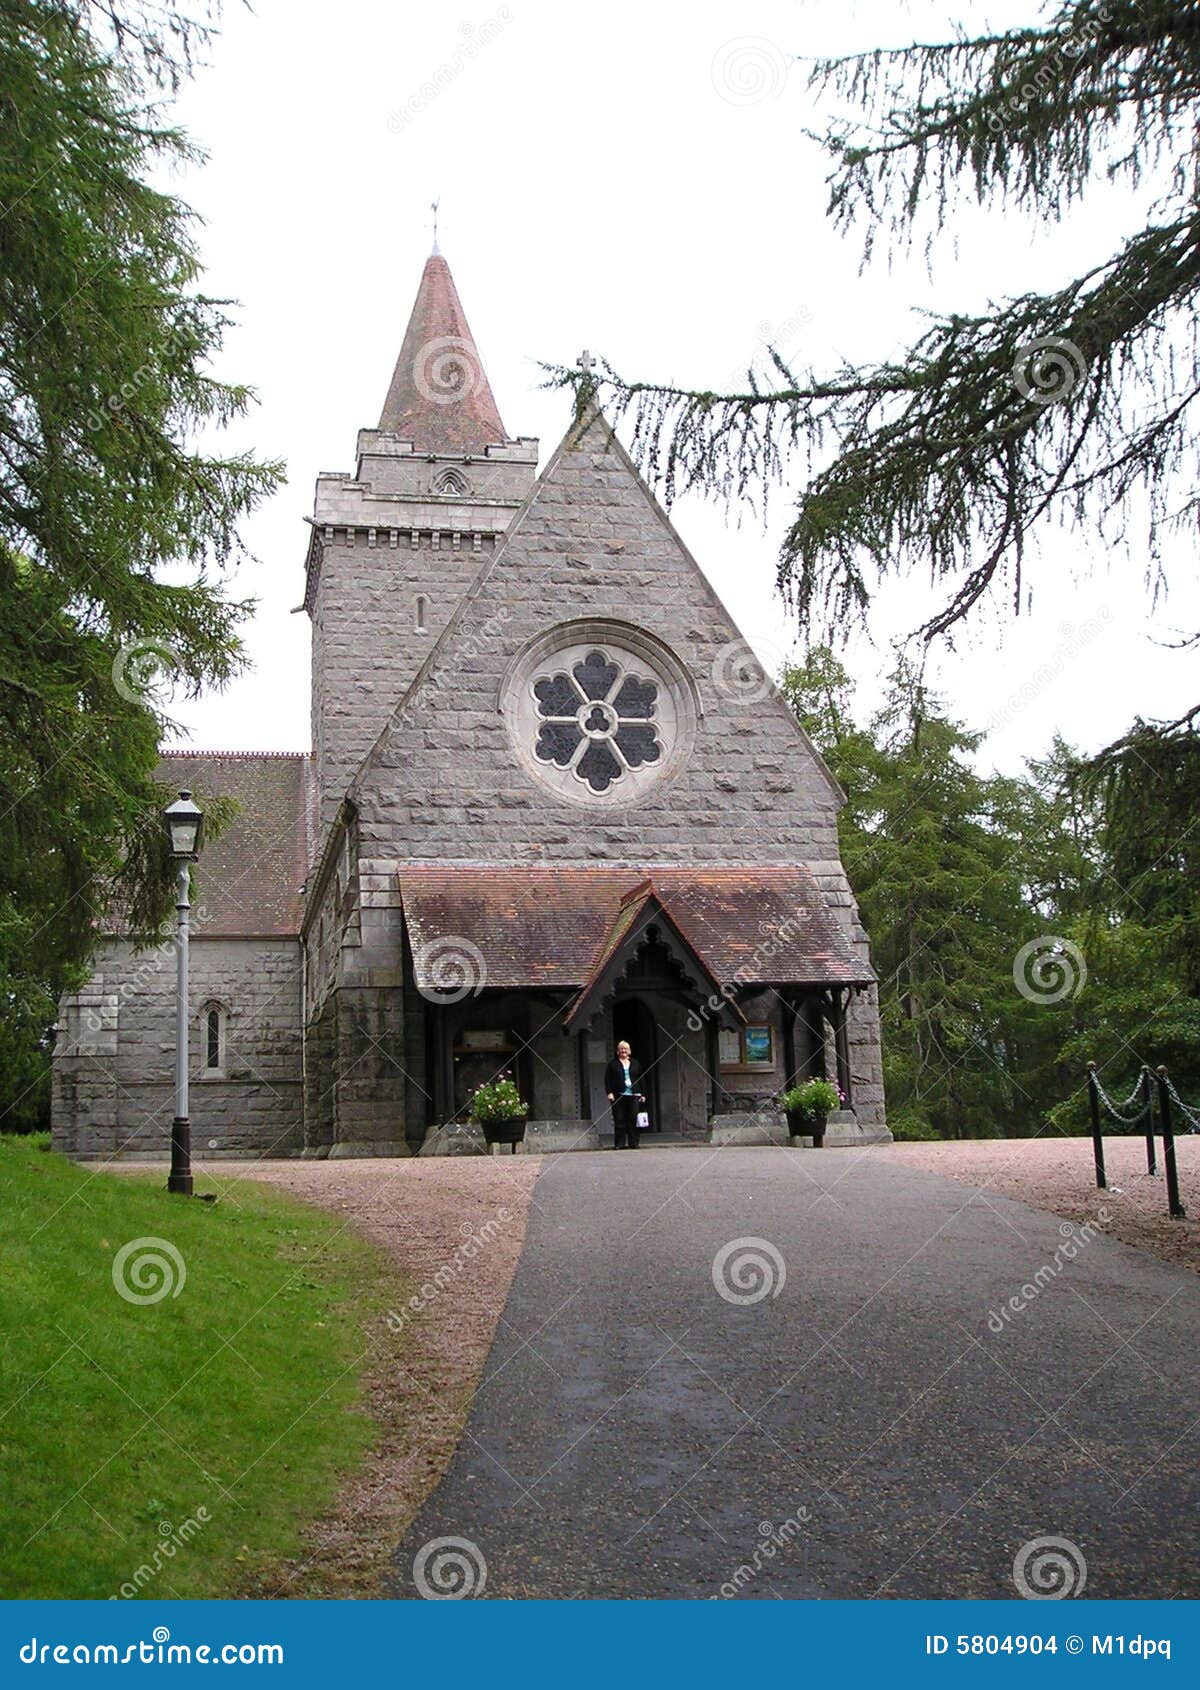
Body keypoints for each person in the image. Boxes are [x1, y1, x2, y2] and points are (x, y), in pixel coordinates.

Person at [604, 1039, 646, 1149]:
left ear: (629, 1051)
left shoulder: (636, 1063)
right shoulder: (612, 1064)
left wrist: (643, 1094)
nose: (623, 1050)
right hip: (619, 1095)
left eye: (625, 1049)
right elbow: (607, 1079)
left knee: (633, 1119)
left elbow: (641, 1079)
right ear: (617, 1051)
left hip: (634, 1095)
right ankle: (619, 1144)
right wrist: (609, 1093)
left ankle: (634, 1143)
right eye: (621, 1049)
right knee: (619, 1119)